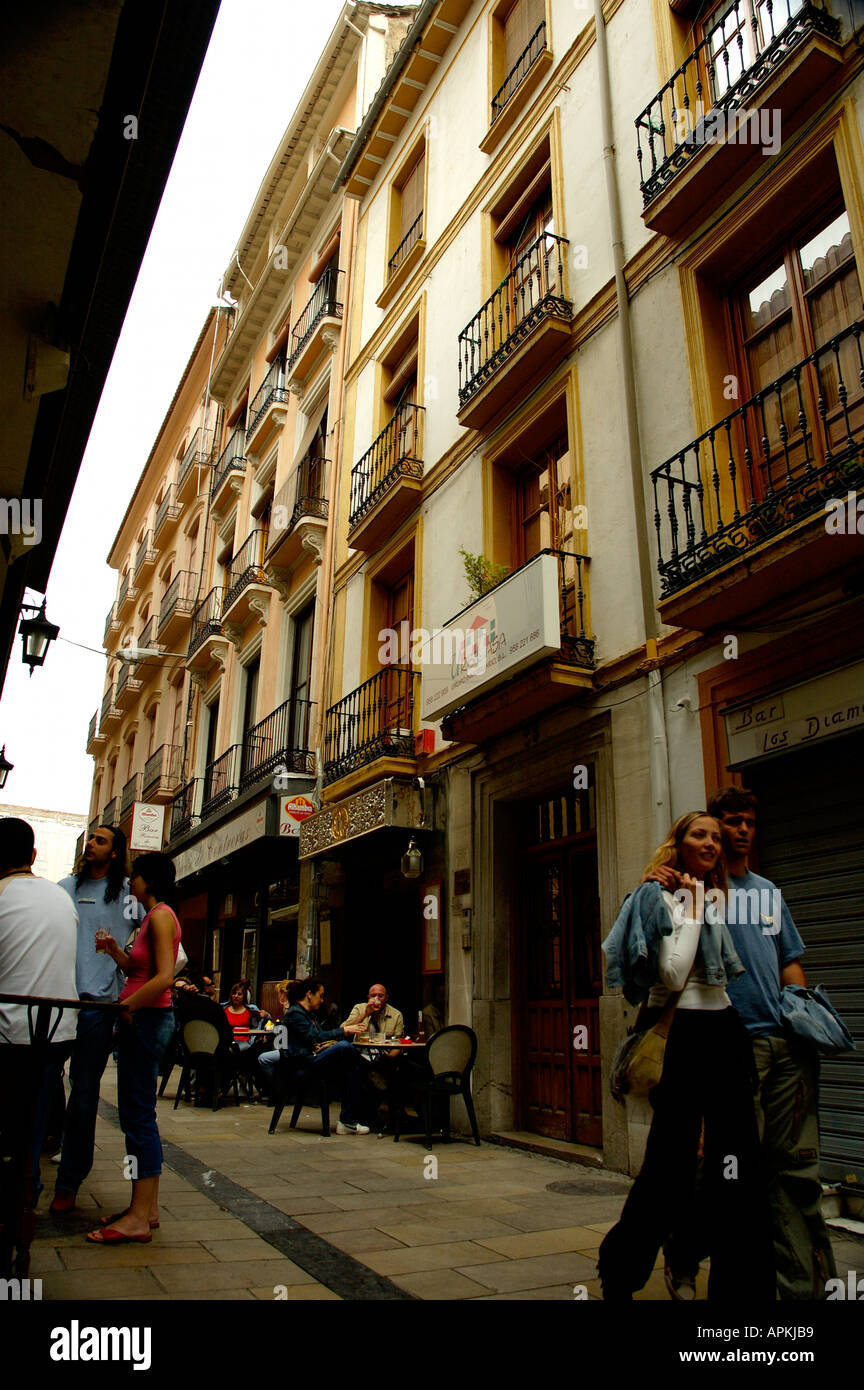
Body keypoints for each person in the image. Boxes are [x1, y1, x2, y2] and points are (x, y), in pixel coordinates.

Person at [655, 786, 837, 1301]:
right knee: (728, 1169)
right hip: (732, 1047)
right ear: (709, 833)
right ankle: (684, 1251)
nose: (740, 831)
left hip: (785, 1045)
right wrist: (658, 879)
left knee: (795, 1169)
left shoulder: (769, 892)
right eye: (730, 822)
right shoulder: (691, 890)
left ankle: (805, 1284)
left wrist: (801, 1013)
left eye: (747, 823)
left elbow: (788, 961)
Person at [598, 812, 774, 1302]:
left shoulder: (712, 896)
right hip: (684, 1036)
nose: (713, 842)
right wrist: (693, 905)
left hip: (725, 1032)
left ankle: (729, 1280)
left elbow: (722, 972)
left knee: (738, 1165)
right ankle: (621, 1274)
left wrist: (702, 899)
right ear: (677, 843)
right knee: (668, 1167)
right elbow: (673, 976)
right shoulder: (658, 896)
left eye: (717, 837)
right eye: (701, 834)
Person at [85, 851, 180, 1244]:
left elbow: (164, 977)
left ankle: (139, 1217)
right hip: (141, 1019)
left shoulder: (159, 917)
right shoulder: (150, 918)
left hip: (146, 1021)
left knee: (137, 1117)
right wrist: (113, 951)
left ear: (148, 881)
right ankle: (146, 1208)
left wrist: (127, 1006)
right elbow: (138, 970)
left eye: (135, 877)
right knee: (141, 1114)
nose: (131, 883)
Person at [50, 824, 143, 1215]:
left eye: (100, 840)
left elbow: (159, 941)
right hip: (56, 1004)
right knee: (44, 1085)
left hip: (98, 1009)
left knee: (84, 1093)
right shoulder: (65, 890)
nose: (91, 844)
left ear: (116, 852)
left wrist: (135, 988)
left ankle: (69, 1181)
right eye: (90, 839)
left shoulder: (126, 898)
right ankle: (39, 1154)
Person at [0, 817, 78, 1218]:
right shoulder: (61, 898)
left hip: (10, 1037)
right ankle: (27, 1184)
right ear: (32, 856)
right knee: (32, 1113)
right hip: (57, 1032)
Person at [281, 978, 369, 1134]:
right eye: (320, 996)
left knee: (353, 1069)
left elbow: (322, 1036)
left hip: (312, 1060)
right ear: (309, 994)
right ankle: (370, 1069)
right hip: (301, 1065)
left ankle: (347, 1122)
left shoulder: (309, 1015)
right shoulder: (295, 1013)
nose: (322, 1000)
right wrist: (345, 1031)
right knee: (344, 1047)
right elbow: (317, 1037)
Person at [342, 984, 404, 1098]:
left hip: (384, 1057)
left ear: (386, 998)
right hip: (361, 1055)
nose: (377, 999)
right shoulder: (359, 1008)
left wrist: (388, 1058)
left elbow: (398, 1043)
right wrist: (365, 1014)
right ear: (368, 997)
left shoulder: (396, 1015)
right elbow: (343, 1029)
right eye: (373, 996)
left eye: (380, 996)